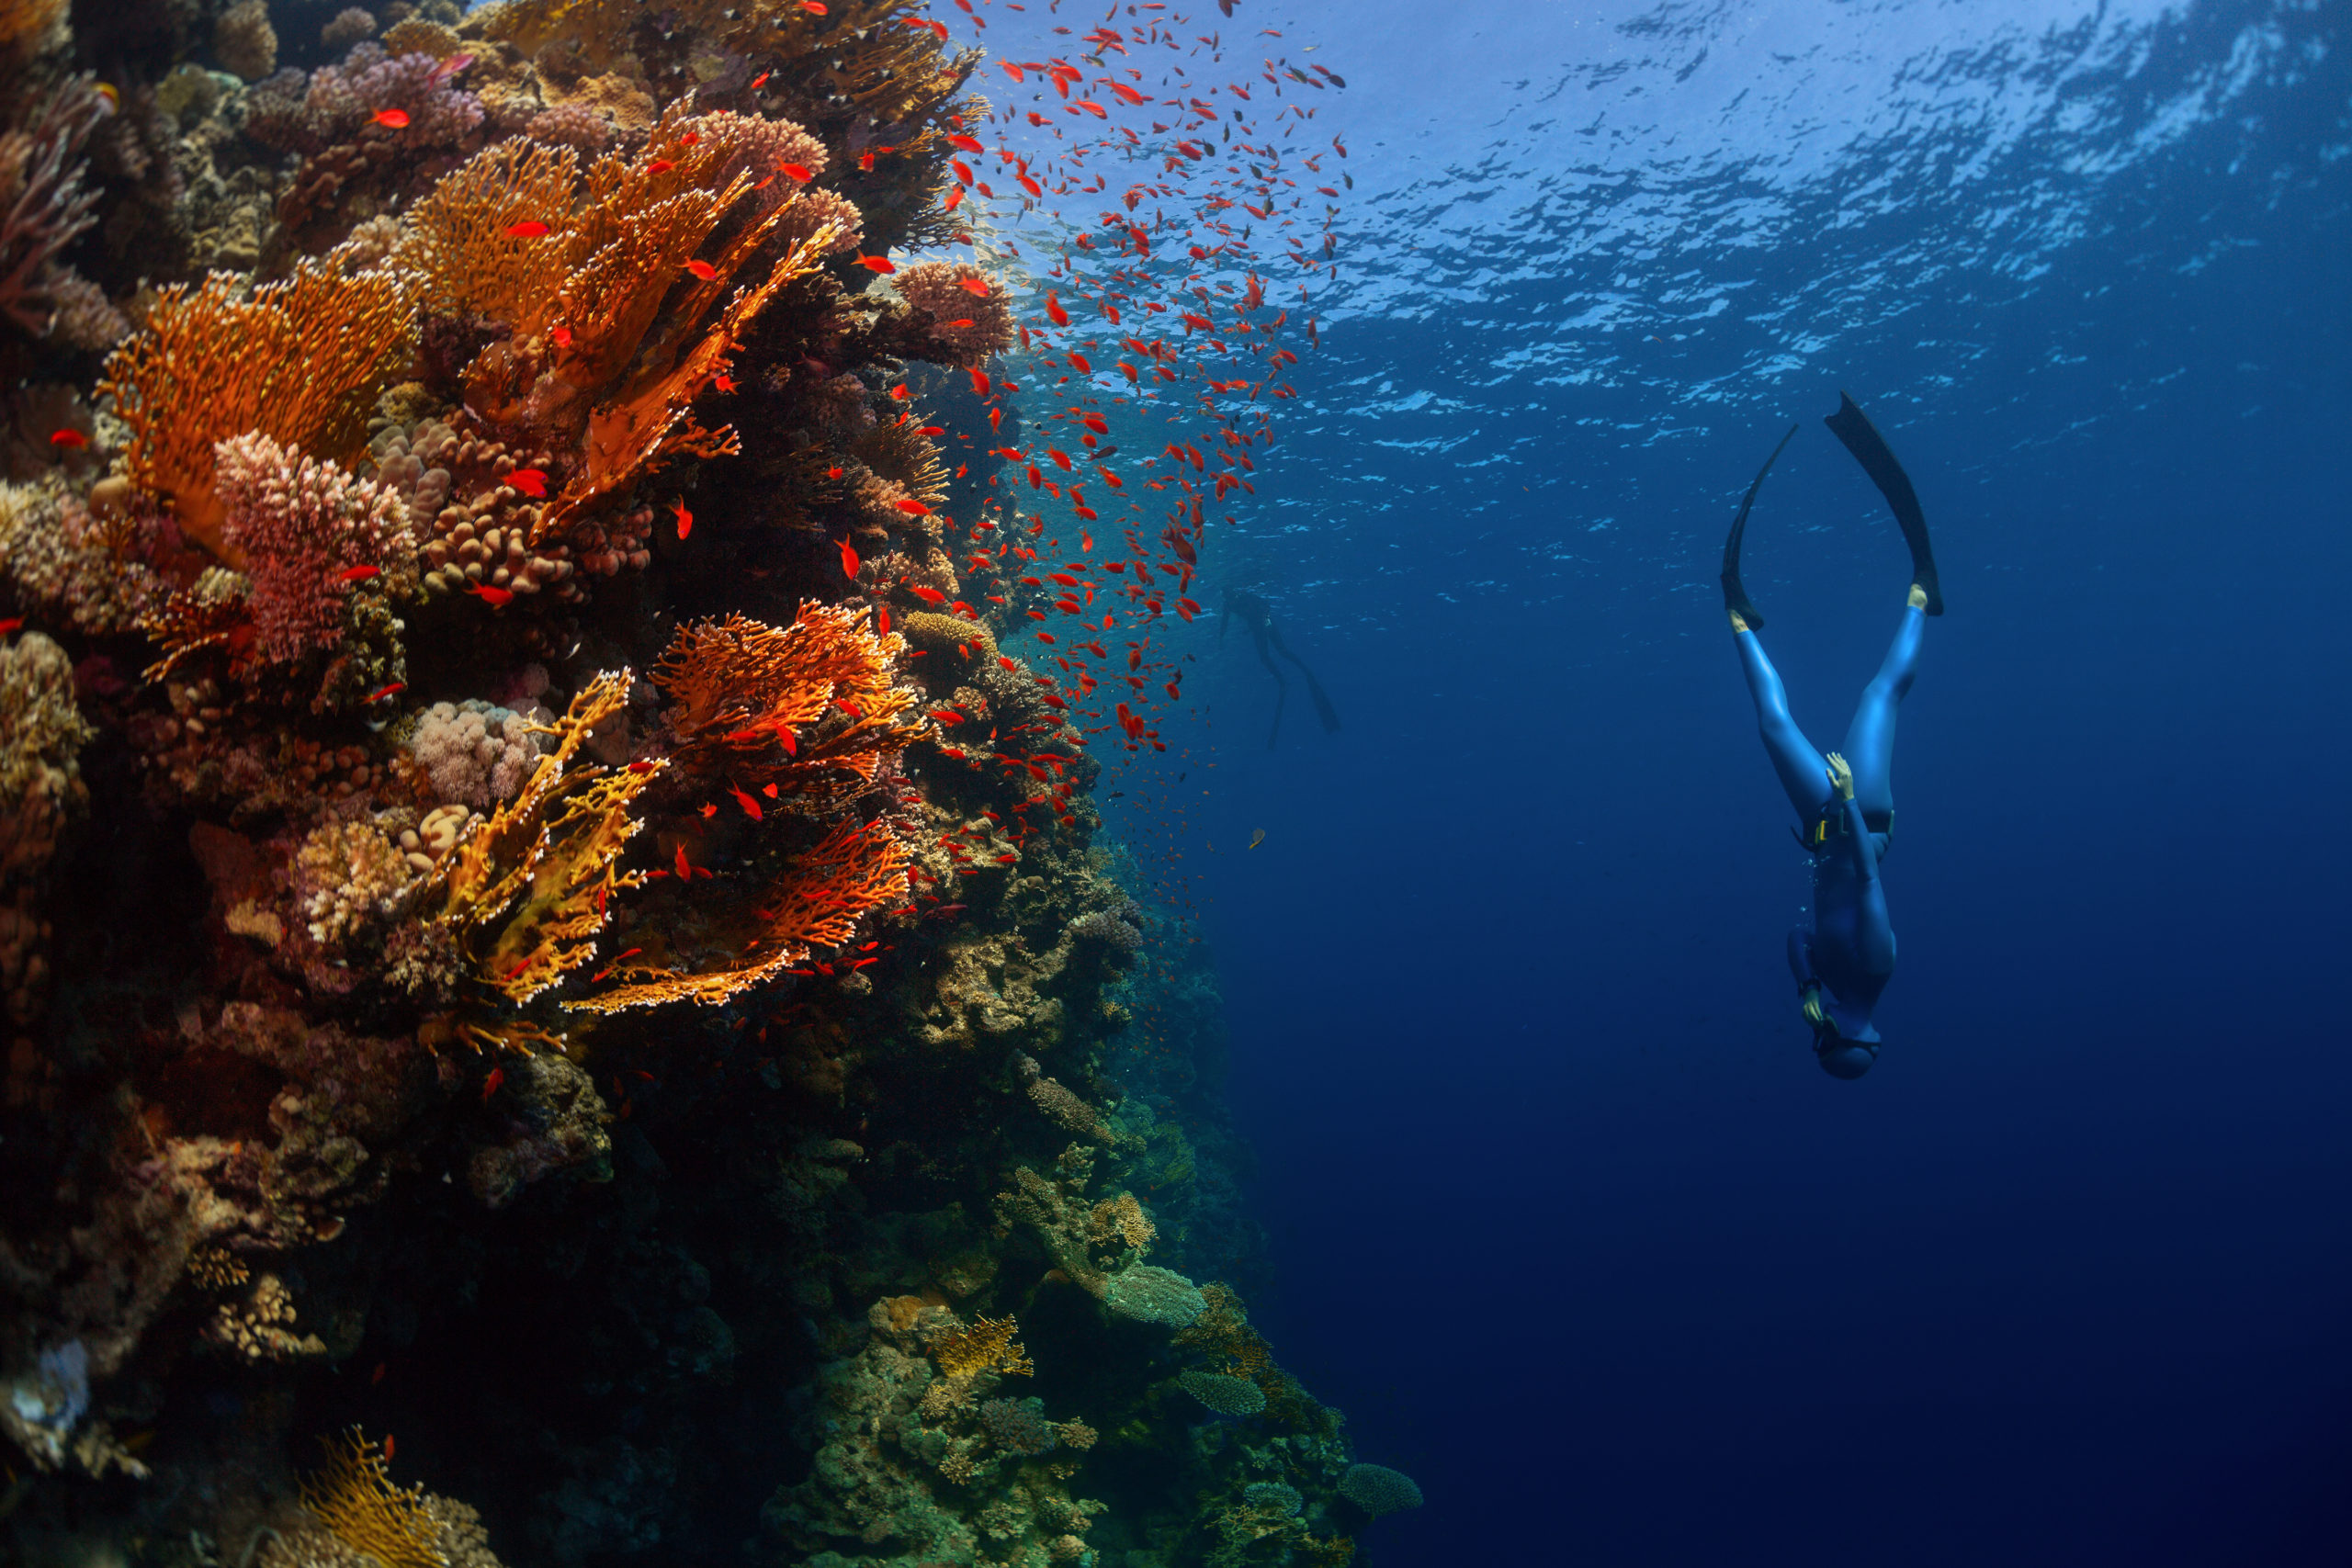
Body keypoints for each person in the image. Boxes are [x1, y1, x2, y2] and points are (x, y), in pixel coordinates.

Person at [1721, 393, 1942, 1079]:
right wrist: (1846, 799)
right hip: (1855, 815)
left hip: (1830, 823)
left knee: (1788, 720)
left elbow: (1795, 934)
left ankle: (1738, 615)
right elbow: (1870, 880)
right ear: (1852, 1039)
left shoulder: (1831, 990)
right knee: (1869, 697)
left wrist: (1805, 985)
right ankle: (1922, 592)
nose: (1815, 1036)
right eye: (1825, 1043)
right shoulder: (1876, 970)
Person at [1220, 588, 1340, 750]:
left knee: (1282, 651)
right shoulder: (1228, 605)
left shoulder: (1245, 597)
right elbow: (1225, 621)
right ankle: (1283, 681)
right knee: (1265, 658)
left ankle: (1301, 671)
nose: (1232, 600)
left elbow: (1265, 604)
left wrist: (1265, 618)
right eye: (1229, 598)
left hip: (1265, 624)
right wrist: (1221, 637)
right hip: (1257, 628)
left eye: (1233, 597)